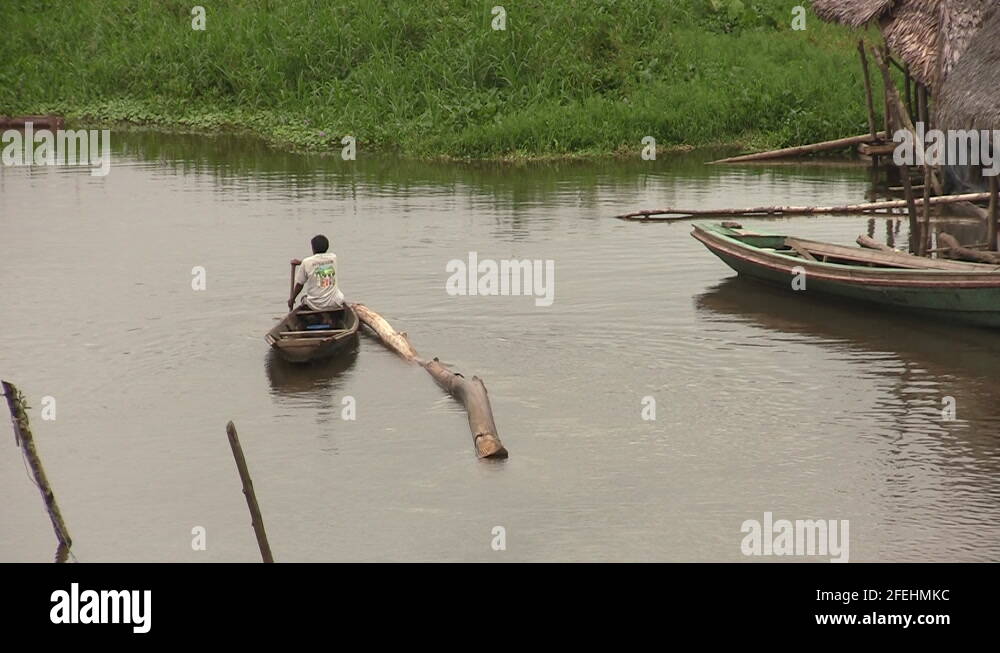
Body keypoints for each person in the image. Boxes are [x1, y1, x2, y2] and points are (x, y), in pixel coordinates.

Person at [288, 234, 345, 311]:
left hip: (315, 305)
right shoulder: (333, 258)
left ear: (313, 248)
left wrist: (292, 299)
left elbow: (299, 284)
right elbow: (318, 263)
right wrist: (301, 263)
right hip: (335, 302)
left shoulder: (306, 262)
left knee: (303, 299)